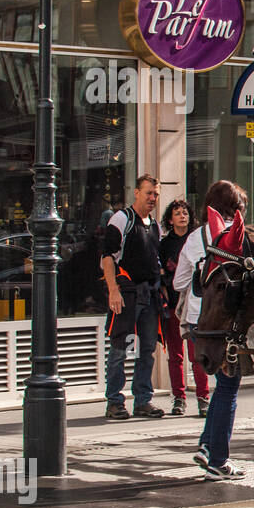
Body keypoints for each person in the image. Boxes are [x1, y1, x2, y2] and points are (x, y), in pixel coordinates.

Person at [175, 180, 254, 480]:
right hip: (227, 322)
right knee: (228, 387)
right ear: (236, 209)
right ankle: (219, 460)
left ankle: (206, 445)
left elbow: (178, 283)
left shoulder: (193, 238)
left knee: (219, 386)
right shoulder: (242, 239)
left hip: (196, 320)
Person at [102, 174, 163, 420]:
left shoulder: (155, 225)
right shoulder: (122, 219)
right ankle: (115, 401)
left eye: (156, 194)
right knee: (120, 349)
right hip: (127, 295)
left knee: (147, 350)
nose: (152, 198)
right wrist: (113, 291)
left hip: (149, 296)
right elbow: (107, 257)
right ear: (136, 192)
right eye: (148, 193)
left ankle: (143, 400)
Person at [159, 198, 210, 417]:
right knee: (175, 354)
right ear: (170, 219)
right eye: (178, 213)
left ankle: (202, 397)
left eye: (185, 213)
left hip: (193, 304)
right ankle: (179, 398)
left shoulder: (196, 239)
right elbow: (160, 274)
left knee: (196, 354)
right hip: (172, 303)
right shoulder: (164, 244)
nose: (182, 216)